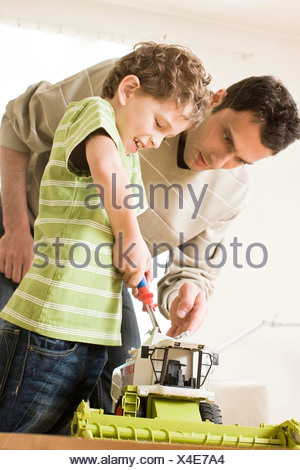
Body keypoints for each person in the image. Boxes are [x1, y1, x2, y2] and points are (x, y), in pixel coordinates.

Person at [0, 55, 300, 416]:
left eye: (240, 160)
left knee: (121, 381)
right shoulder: (134, 90)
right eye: (226, 138)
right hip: (28, 235)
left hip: (104, 273)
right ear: (218, 99)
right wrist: (16, 228)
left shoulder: (231, 190)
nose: (220, 162)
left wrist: (186, 293)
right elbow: (16, 128)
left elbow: (194, 270)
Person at [0, 41, 211, 434]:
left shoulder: (128, 157)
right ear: (128, 90)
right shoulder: (94, 114)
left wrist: (133, 261)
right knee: (14, 439)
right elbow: (104, 166)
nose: (157, 141)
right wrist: (130, 232)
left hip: (91, 337)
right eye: (159, 124)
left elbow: (116, 217)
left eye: (168, 136)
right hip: (49, 329)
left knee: (60, 445)